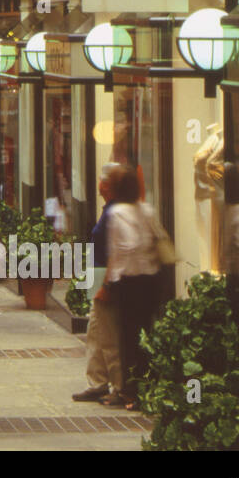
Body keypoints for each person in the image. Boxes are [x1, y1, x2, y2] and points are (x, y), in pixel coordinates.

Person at [104, 164, 163, 410]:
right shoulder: (147, 210)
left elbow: (124, 247)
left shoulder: (118, 212)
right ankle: (147, 385)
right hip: (150, 280)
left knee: (127, 337)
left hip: (128, 281)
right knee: (145, 333)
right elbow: (157, 236)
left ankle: (131, 392)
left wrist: (109, 278)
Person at [72, 164, 125, 405]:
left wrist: (106, 285)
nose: (100, 185)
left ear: (106, 186)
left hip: (106, 279)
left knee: (109, 336)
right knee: (94, 332)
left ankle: (119, 386)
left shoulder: (115, 212)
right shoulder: (110, 209)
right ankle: (97, 381)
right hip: (98, 277)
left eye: (103, 181)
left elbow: (115, 251)